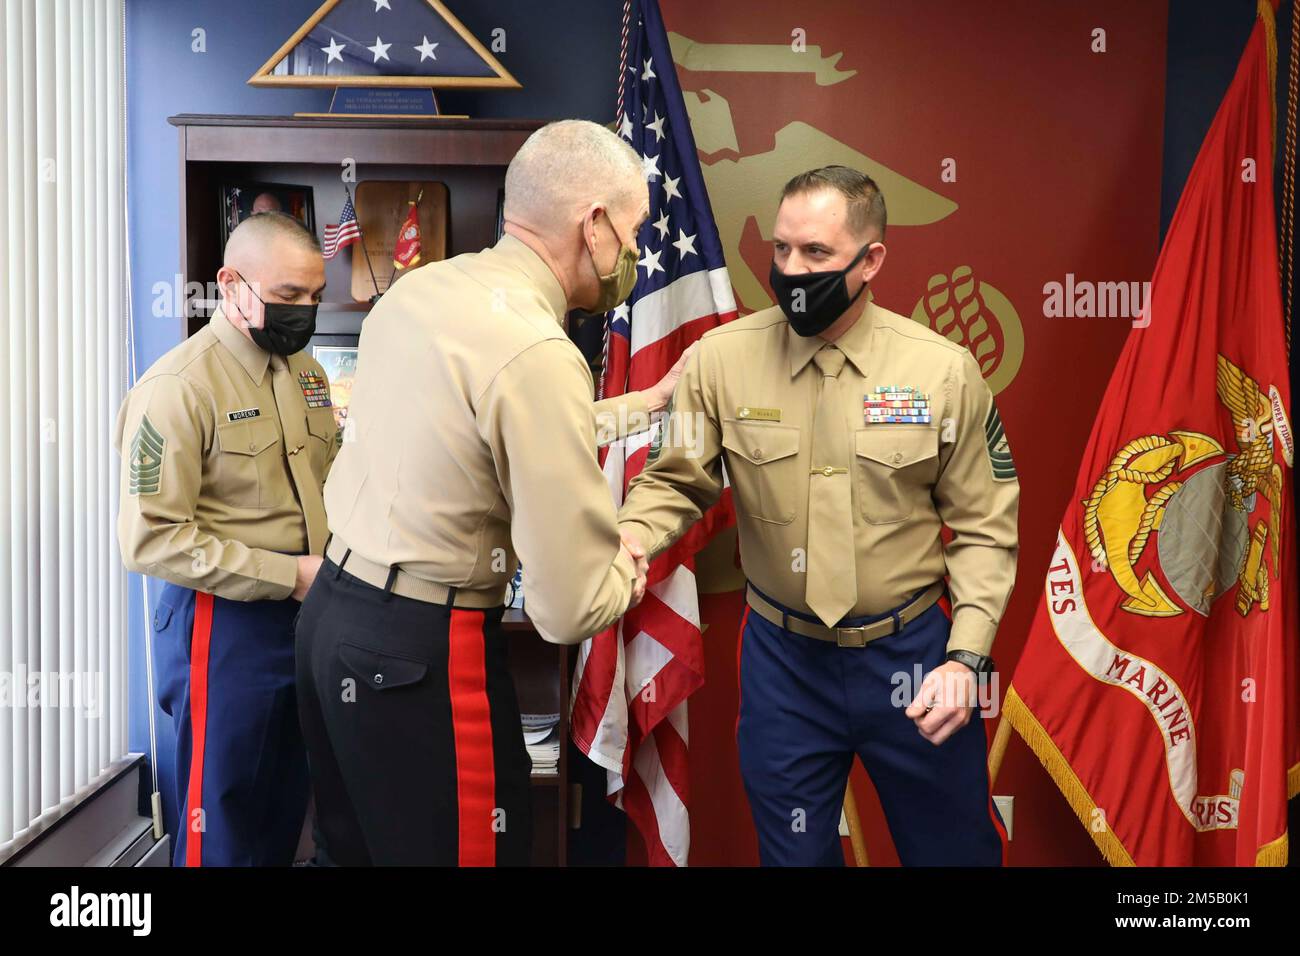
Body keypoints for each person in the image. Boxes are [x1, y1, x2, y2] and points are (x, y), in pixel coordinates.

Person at [296, 119, 678, 866]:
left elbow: (480, 427)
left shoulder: (424, 291)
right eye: (632, 233)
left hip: (334, 622)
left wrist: (648, 403)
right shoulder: (537, 350)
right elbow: (567, 610)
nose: (634, 254)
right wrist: (631, 551)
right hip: (422, 654)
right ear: (593, 224)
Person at [617, 165, 1020, 866]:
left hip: (915, 661)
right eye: (781, 250)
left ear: (871, 261)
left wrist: (966, 657)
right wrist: (630, 536)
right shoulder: (718, 361)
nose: (791, 270)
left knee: (955, 854)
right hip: (786, 664)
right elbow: (676, 480)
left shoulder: (943, 372)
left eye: (816, 255)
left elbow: (987, 528)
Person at [115, 211, 336, 866]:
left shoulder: (307, 374)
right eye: (290, 296)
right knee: (223, 825)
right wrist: (292, 575)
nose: (305, 312)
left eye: (316, 296)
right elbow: (150, 540)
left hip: (303, 622)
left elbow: (331, 479)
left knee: (281, 815)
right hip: (222, 627)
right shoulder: (178, 387)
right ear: (232, 284)